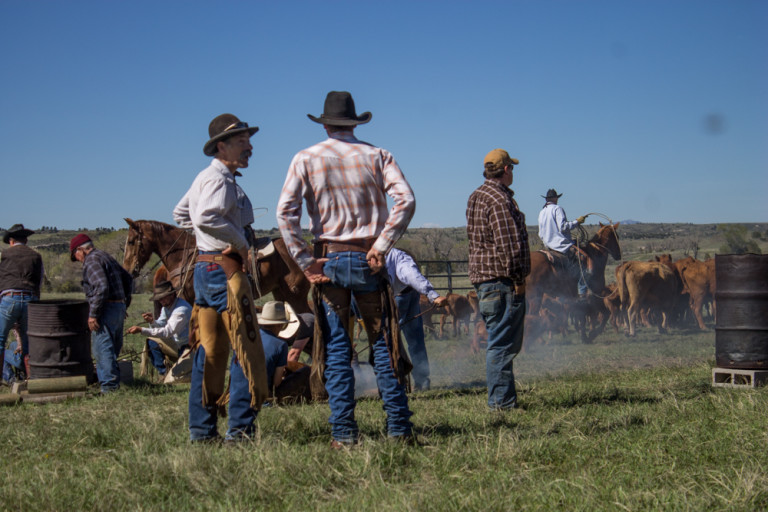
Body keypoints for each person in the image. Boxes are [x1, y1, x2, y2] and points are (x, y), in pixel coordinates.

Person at [276, 90, 417, 448]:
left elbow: (285, 214)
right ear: (355, 123)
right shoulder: (377, 155)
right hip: (368, 258)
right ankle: (398, 429)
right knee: (384, 346)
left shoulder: (305, 158)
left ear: (324, 124)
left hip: (330, 260)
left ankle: (343, 433)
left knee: (337, 349)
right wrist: (382, 245)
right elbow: (406, 200)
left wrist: (306, 262)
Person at [173, 113, 268, 443]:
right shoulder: (220, 181)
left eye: (248, 140)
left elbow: (181, 214)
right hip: (225, 270)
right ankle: (239, 432)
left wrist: (205, 241)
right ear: (221, 146)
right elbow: (205, 216)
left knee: (209, 352)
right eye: (242, 141)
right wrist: (238, 244)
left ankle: (202, 431)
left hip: (205, 269)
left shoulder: (205, 177)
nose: (249, 146)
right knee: (246, 351)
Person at [466, 149, 530, 410]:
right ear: (506, 170)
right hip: (501, 281)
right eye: (511, 169)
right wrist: (518, 279)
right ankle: (501, 404)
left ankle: (502, 399)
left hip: (485, 280)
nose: (513, 172)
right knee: (502, 343)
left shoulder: (476, 196)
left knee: (498, 340)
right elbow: (509, 244)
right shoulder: (499, 199)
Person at [70, 233, 133, 393]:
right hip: (118, 307)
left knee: (102, 347)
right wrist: (124, 303)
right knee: (112, 347)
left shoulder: (91, 260)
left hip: (106, 309)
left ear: (80, 250)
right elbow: (128, 278)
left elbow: (101, 286)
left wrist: (93, 314)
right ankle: (111, 381)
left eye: (75, 255)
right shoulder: (105, 256)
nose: (77, 259)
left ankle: (109, 388)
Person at [385, 248, 447, 391]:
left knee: (389, 340)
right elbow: (411, 274)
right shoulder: (395, 254)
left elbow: (410, 274)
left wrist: (432, 294)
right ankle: (421, 381)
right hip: (407, 294)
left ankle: (394, 381)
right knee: (415, 340)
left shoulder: (392, 255)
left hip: (397, 298)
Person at [0, 224, 44, 381]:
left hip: (9, 298)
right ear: (25, 240)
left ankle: (3, 378)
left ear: (11, 241)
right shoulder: (36, 256)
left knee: (0, 340)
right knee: (27, 341)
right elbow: (39, 282)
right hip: (30, 299)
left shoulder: (4, 255)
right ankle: (29, 377)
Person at [127, 280, 191, 380]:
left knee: (177, 377)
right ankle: (163, 372)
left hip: (189, 348)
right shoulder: (166, 308)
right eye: (159, 299)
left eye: (163, 298)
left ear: (172, 295)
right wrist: (152, 322)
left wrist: (141, 330)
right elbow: (161, 325)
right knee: (152, 341)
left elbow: (167, 332)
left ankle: (183, 371)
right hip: (177, 346)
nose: (161, 301)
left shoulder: (181, 309)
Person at [537, 188, 589, 298]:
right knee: (583, 262)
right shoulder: (557, 209)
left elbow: (540, 233)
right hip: (561, 246)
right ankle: (582, 294)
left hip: (548, 246)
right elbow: (563, 227)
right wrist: (577, 222)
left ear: (547, 199)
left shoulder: (542, 212)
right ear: (555, 198)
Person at [256, 301, 295, 396]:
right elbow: (276, 383)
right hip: (262, 394)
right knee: (304, 373)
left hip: (238, 392)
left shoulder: (248, 338)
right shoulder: (281, 345)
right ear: (279, 325)